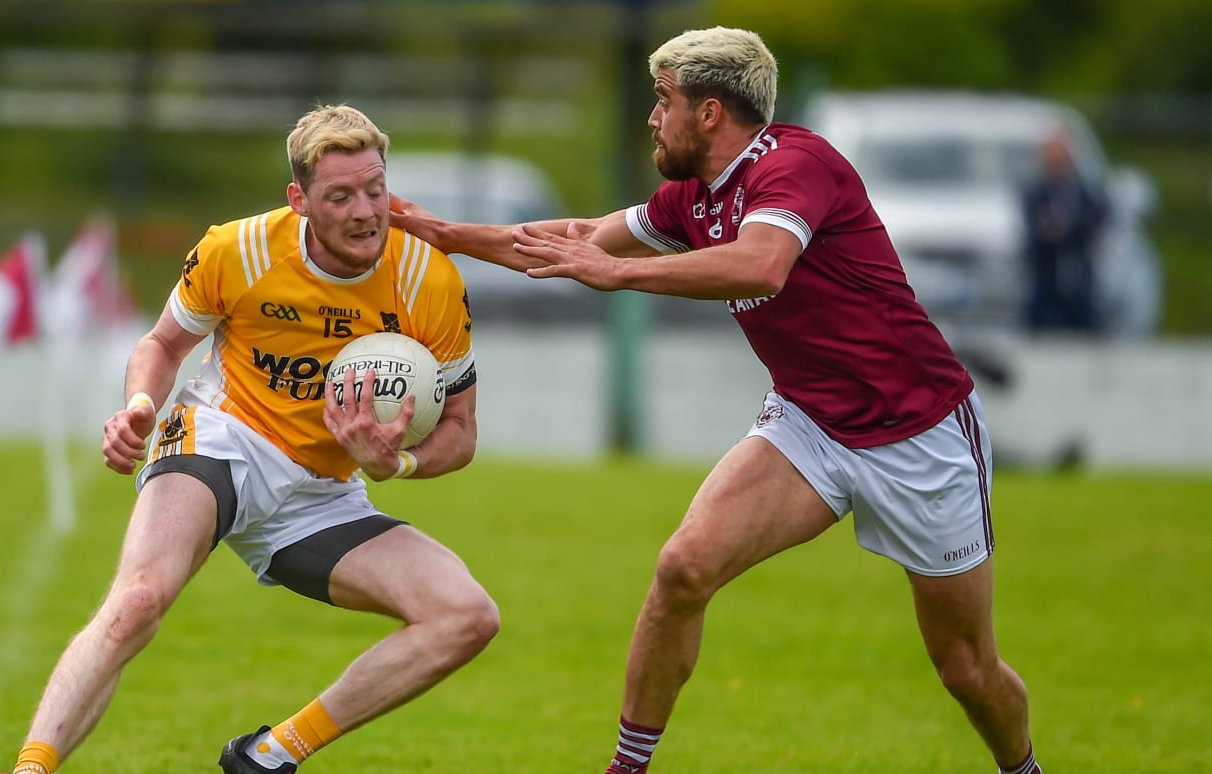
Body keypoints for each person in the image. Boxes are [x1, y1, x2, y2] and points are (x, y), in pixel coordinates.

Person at [391, 26, 1042, 774]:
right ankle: (626, 769)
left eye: (662, 100)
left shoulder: (798, 163)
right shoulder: (690, 200)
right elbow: (573, 238)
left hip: (920, 433)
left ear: (707, 112)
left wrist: (618, 277)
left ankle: (1022, 769)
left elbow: (763, 264)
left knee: (965, 669)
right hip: (812, 423)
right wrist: (438, 232)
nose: (650, 118)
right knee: (683, 567)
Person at [7, 103, 495, 774]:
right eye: (341, 195)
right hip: (223, 436)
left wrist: (399, 461)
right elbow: (162, 343)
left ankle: (269, 755)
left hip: (322, 491)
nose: (364, 211)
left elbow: (462, 432)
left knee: (467, 615)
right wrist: (142, 406)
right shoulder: (237, 249)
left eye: (375, 189)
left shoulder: (427, 280)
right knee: (141, 599)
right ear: (299, 200)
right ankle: (32, 767)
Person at [1022, 130, 1108, 333]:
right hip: (1045, 272)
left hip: (1078, 270)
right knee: (1040, 322)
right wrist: (1048, 229)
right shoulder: (1035, 192)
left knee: (1085, 322)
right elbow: (1031, 223)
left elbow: (1097, 218)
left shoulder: (1084, 191)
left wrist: (1067, 227)